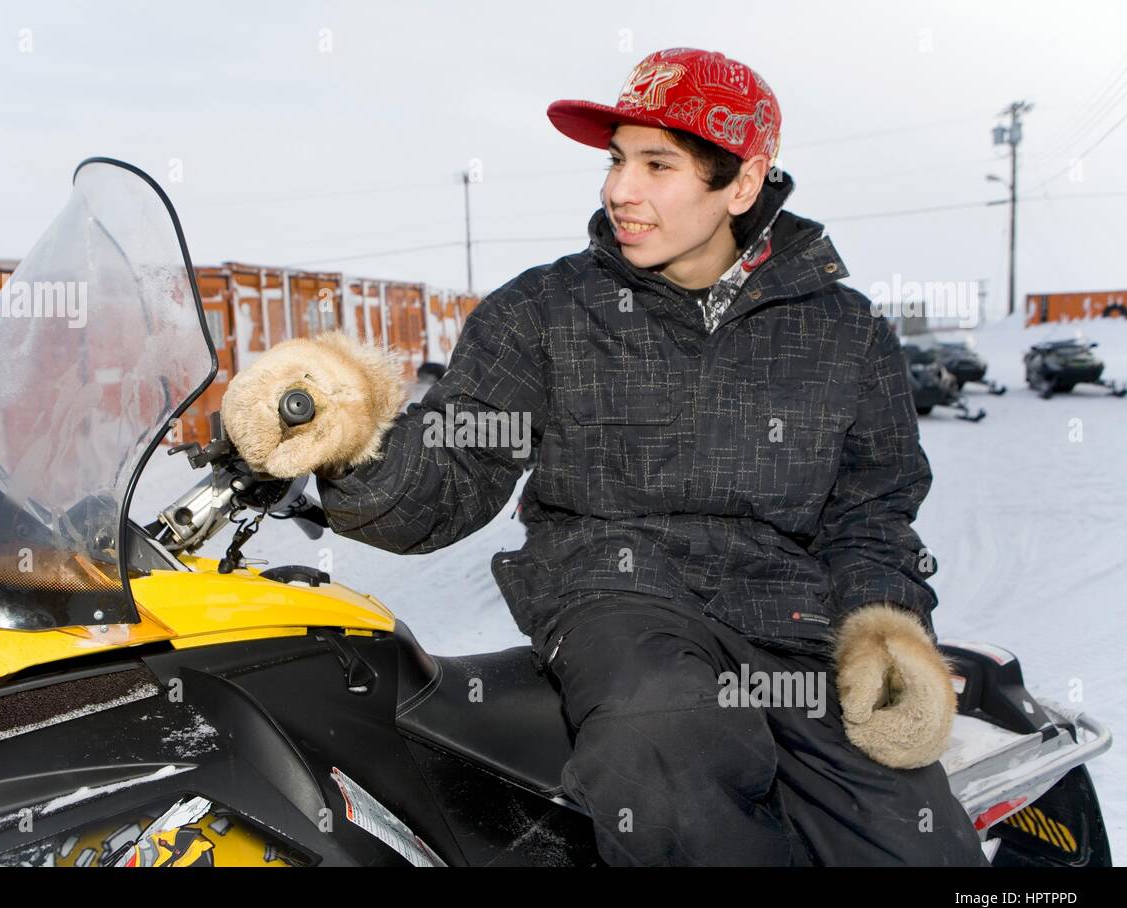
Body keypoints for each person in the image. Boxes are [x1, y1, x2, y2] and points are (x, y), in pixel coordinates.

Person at [221, 47, 987, 866]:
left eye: (658, 163)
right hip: (618, 599)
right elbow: (452, 470)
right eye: (619, 159)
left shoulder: (846, 331)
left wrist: (888, 629)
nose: (620, 188)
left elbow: (872, 511)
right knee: (662, 736)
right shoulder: (547, 311)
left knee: (915, 838)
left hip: (790, 631)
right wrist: (347, 441)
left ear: (743, 182)